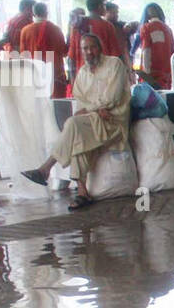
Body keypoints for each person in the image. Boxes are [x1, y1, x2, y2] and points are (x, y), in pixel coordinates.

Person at [20, 33, 131, 210]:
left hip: (113, 121)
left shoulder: (114, 64)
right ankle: (82, 192)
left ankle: (46, 168)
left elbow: (113, 97)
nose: (89, 52)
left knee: (73, 125)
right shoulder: (83, 72)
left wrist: (92, 108)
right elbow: (80, 102)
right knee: (77, 134)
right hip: (93, 121)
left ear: (100, 48)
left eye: (92, 47)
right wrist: (94, 108)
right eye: (85, 48)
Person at [19, 2, 69, 98]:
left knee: (39, 105)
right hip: (55, 74)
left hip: (35, 74)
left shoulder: (25, 31)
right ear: (47, 13)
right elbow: (64, 52)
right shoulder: (56, 29)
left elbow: (23, 55)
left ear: (33, 14)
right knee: (57, 106)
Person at [68, 0, 126, 74]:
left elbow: (71, 56)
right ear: (100, 6)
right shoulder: (107, 26)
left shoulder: (77, 26)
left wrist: (72, 78)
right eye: (104, 5)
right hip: (104, 73)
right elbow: (115, 54)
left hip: (82, 73)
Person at [135, 3, 174, 89]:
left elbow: (146, 50)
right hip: (165, 75)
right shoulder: (168, 29)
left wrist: (146, 73)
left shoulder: (146, 28)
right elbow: (173, 51)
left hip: (151, 76)